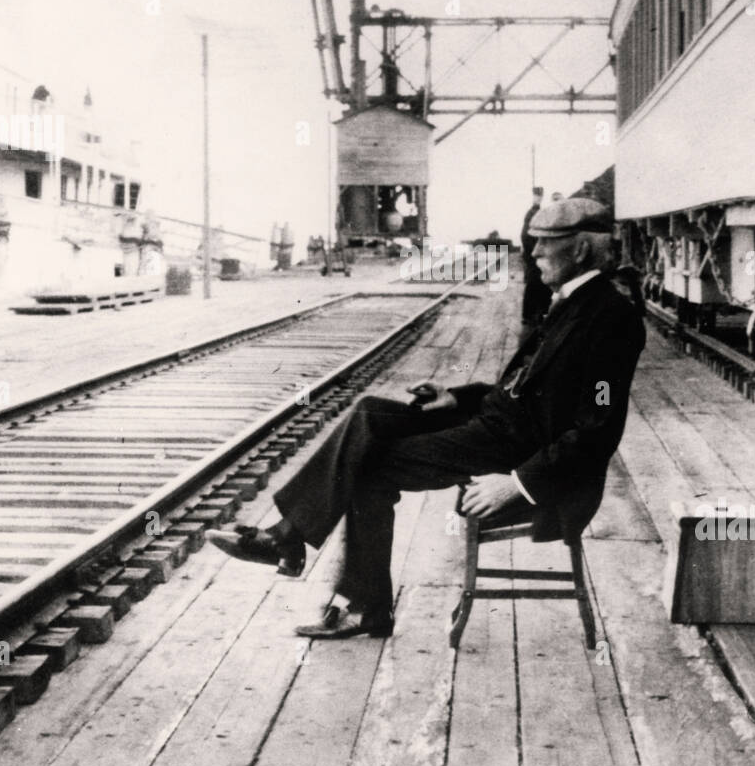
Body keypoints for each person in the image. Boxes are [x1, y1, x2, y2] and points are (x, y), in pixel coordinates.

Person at [207, 198, 646, 639]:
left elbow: (597, 429)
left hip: (518, 451)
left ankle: (329, 575)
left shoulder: (610, 318)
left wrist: (516, 482)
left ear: (582, 251)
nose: (532, 254)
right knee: (368, 415)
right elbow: (527, 390)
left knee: (369, 468)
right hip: (493, 428)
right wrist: (454, 399)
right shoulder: (571, 302)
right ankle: (294, 542)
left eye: (544, 244)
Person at [519, 186, 550, 332]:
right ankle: (528, 315)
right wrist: (533, 252)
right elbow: (525, 236)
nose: (538, 198)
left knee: (542, 282)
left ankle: (541, 312)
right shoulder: (531, 213)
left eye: (540, 196)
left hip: (538, 254)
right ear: (533, 197)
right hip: (533, 255)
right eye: (536, 196)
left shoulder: (538, 212)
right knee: (533, 283)